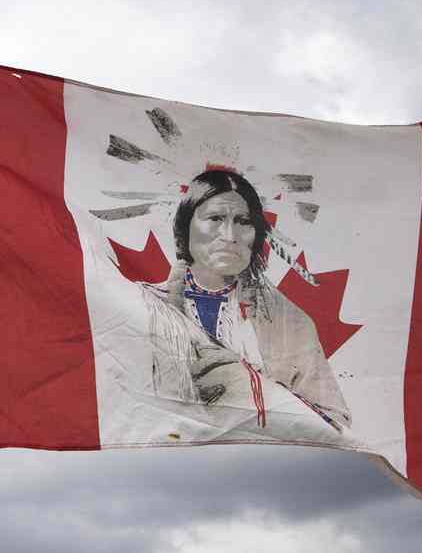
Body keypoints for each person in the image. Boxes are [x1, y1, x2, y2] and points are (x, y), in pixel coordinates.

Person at [145, 169, 350, 434]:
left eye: (242, 221)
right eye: (216, 218)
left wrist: (249, 389)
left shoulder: (288, 323)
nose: (230, 235)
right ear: (185, 228)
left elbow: (335, 425)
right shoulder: (145, 308)